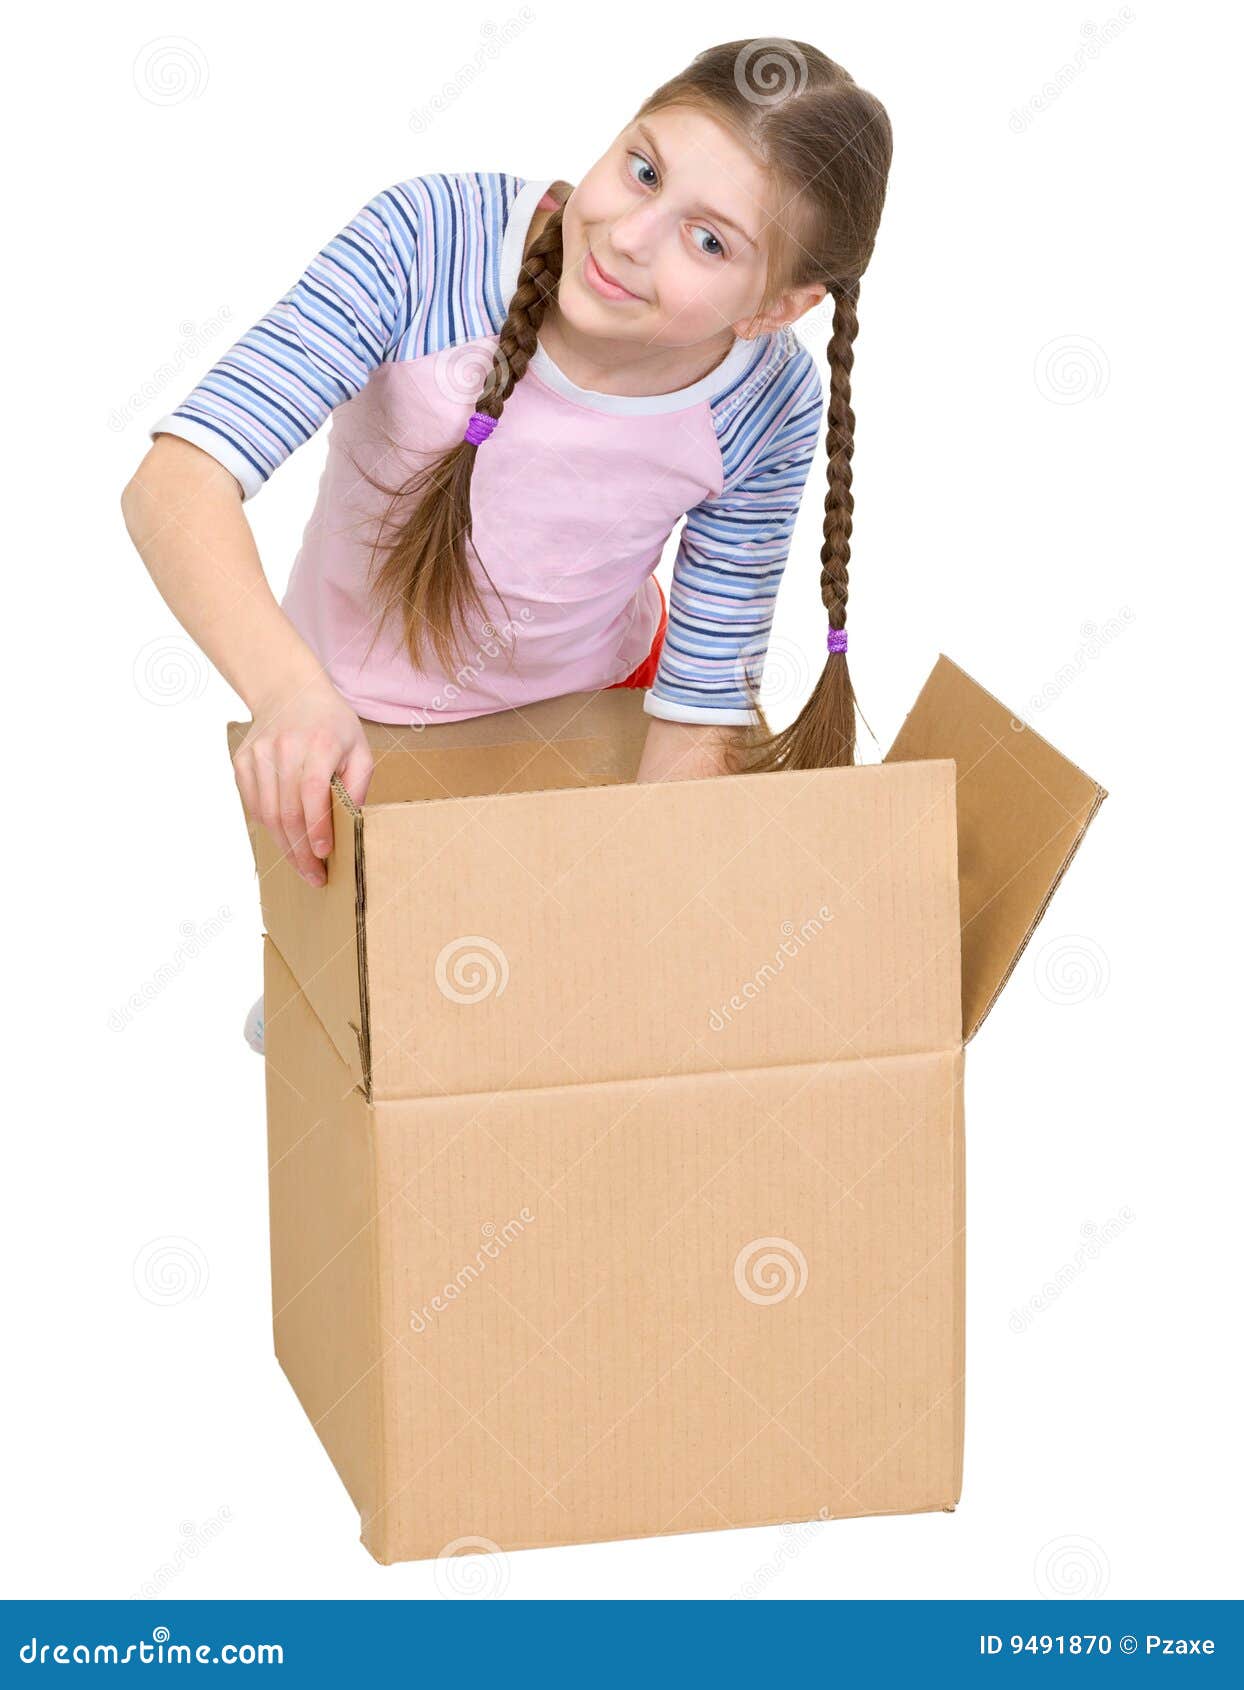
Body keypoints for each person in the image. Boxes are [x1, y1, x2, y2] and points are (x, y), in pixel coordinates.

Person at [120, 38, 893, 1054]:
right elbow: (176, 483)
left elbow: (699, 707)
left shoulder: (768, 399)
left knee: (548, 1004)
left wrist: (645, 938)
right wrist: (287, 694)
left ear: (778, 307)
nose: (624, 238)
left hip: (590, 714)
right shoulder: (430, 239)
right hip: (360, 718)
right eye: (642, 169)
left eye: (707, 242)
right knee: (363, 1030)